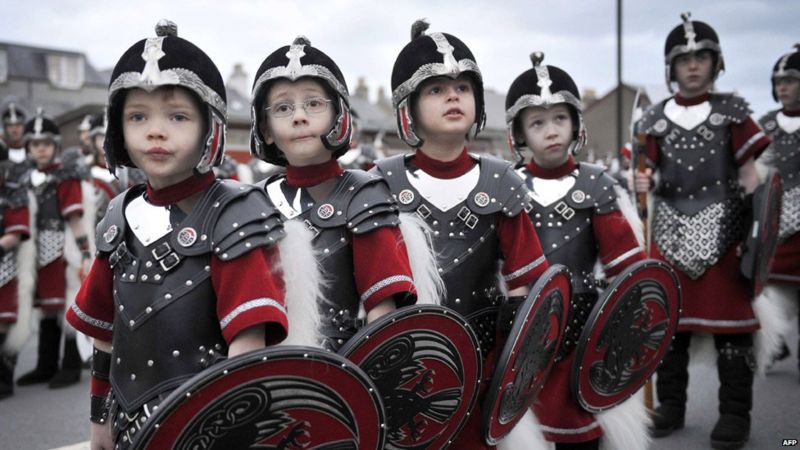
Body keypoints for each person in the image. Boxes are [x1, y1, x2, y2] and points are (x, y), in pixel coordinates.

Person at [66, 20, 289, 449]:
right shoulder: (118, 214)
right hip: (128, 424)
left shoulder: (235, 213)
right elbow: (104, 335)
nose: (155, 130)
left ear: (210, 126)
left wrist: (224, 427)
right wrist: (99, 420)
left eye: (178, 116)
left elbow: (248, 343)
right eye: (137, 116)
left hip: (212, 426)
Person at [371, 20, 550, 449]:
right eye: (436, 89)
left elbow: (526, 286)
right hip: (402, 370)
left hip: (485, 365)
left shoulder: (501, 181)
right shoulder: (379, 184)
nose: (453, 96)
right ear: (408, 107)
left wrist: (511, 371)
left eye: (463, 88)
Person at [634, 13, 770, 450]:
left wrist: (753, 236)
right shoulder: (653, 119)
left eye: (701, 57)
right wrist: (642, 183)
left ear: (716, 62)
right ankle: (671, 407)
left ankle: (735, 414)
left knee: (733, 330)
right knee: (670, 329)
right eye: (683, 59)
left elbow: (752, 179)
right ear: (670, 67)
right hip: (669, 232)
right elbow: (648, 175)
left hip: (726, 234)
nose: (692, 66)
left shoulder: (732, 112)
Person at [505, 52, 648, 450]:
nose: (551, 131)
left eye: (559, 118)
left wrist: (635, 320)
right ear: (519, 133)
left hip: (585, 325)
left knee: (578, 426)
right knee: (523, 425)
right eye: (537, 122)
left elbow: (626, 265)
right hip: (524, 324)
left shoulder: (596, 184)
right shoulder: (507, 187)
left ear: (575, 125)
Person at [250, 36, 417, 351]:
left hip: (350, 367)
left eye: (314, 103)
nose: (299, 116)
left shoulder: (365, 195)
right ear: (266, 129)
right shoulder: (251, 205)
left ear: (338, 115)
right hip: (267, 372)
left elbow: (383, 315)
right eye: (283, 107)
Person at [14, 109, 90, 390]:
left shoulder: (65, 176)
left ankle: (70, 366)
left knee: (66, 307)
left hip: (61, 250)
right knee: (46, 309)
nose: (41, 149)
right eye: (35, 144)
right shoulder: (24, 178)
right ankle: (45, 365)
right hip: (33, 251)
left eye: (46, 143)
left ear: (55, 145)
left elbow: (75, 217)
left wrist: (84, 251)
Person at [756, 44, 800, 377]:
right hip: (773, 222)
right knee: (768, 293)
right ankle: (774, 342)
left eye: (790, 79)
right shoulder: (765, 125)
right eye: (778, 81)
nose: (782, 86)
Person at [0, 139, 32, 399]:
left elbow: (16, 232)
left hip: (5, 264)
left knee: (2, 322)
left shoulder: (13, 193)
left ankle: (4, 380)